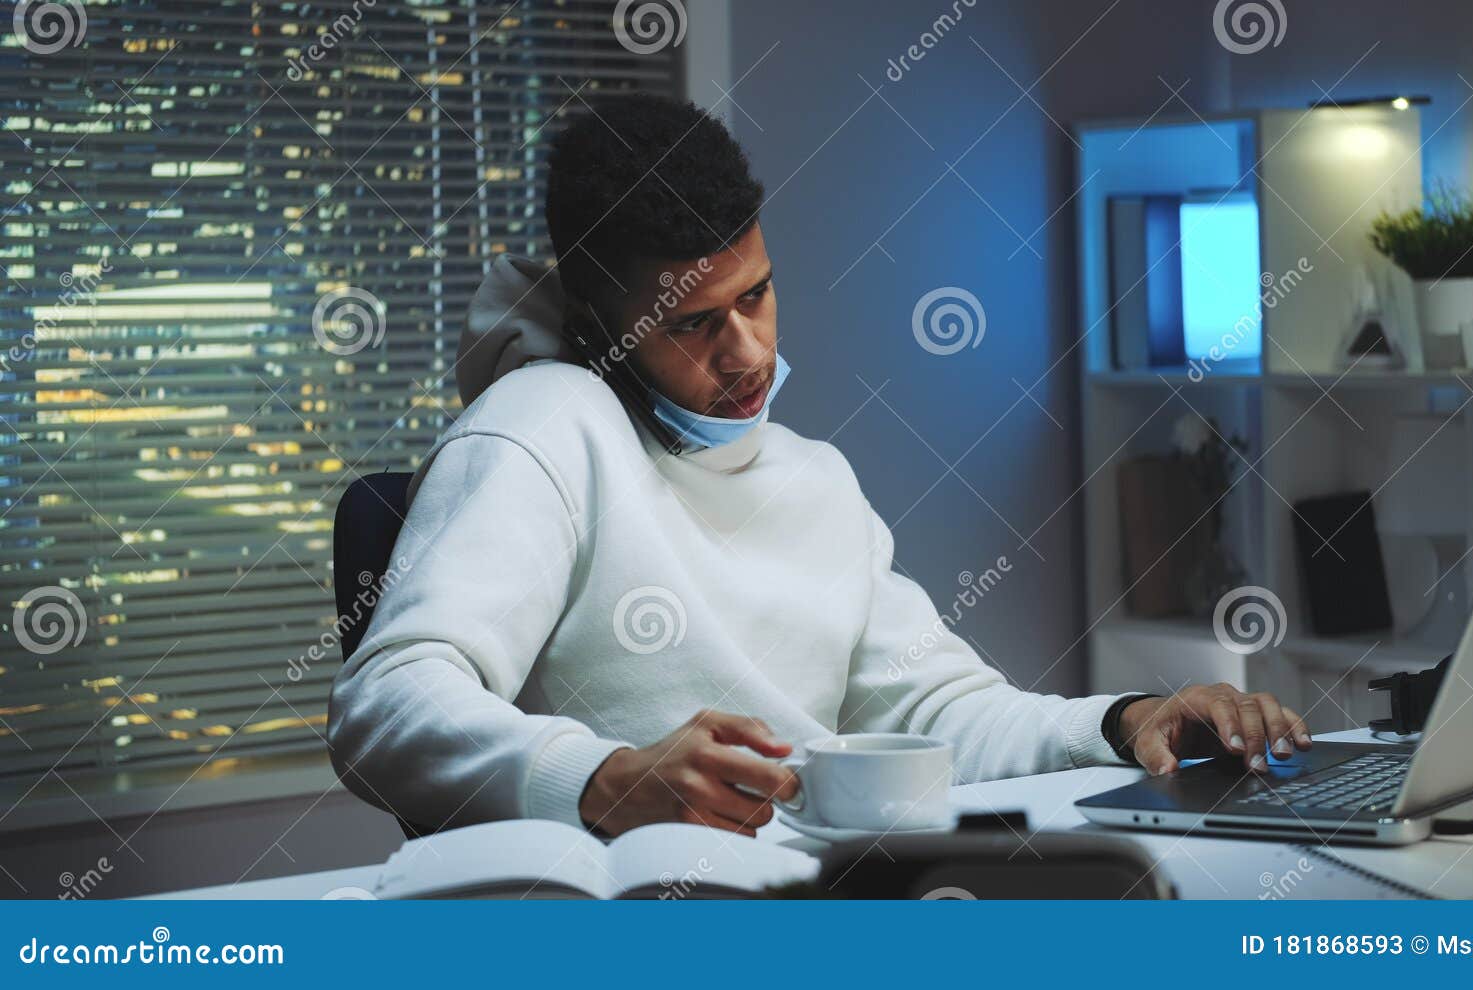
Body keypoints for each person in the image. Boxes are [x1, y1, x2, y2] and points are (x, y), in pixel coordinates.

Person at [327, 93, 1311, 838]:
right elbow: (387, 702)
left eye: (756, 296)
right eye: (694, 326)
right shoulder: (544, 426)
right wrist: (604, 778)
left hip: (812, 895)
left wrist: (1128, 718)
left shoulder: (815, 479)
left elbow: (938, 714)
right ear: (599, 326)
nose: (748, 352)